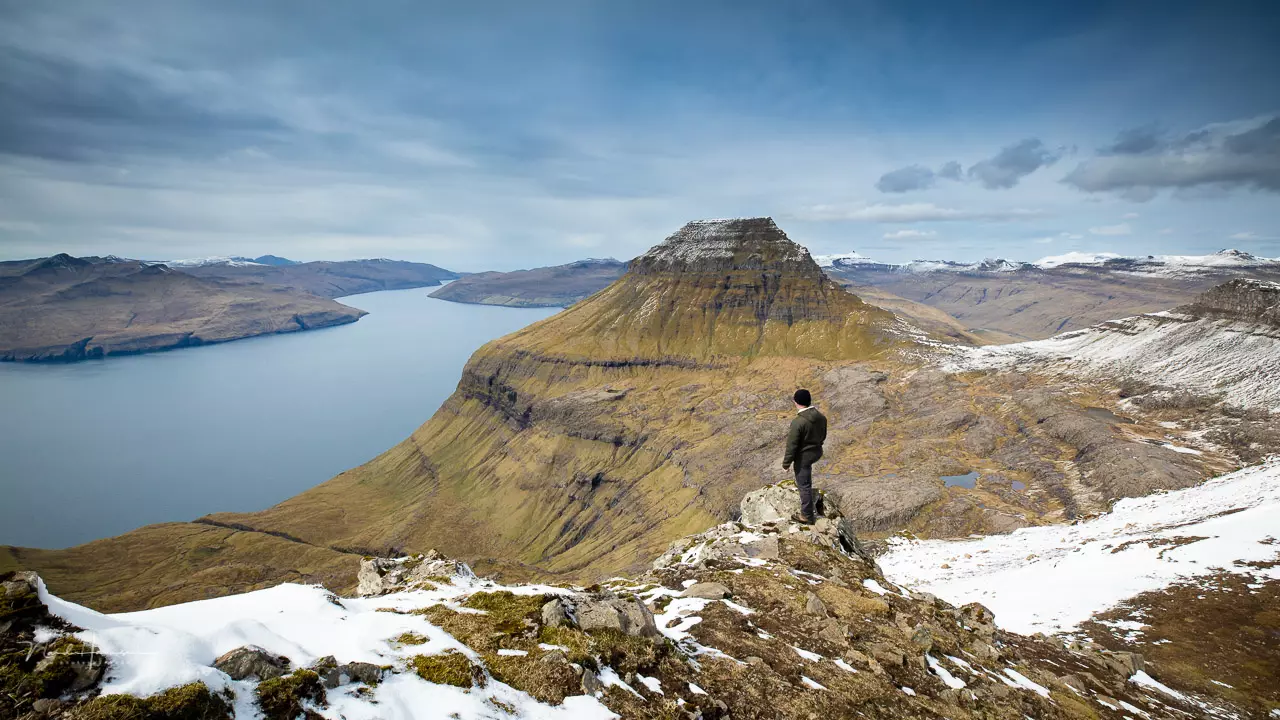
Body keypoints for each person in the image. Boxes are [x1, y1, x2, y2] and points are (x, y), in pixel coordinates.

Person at [782, 388, 827, 524]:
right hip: (817, 452)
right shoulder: (821, 417)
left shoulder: (798, 422)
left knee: (804, 485)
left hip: (804, 457)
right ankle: (809, 502)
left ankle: (806, 515)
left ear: (796, 402)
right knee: (805, 478)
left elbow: (792, 445)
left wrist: (786, 464)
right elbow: (823, 436)